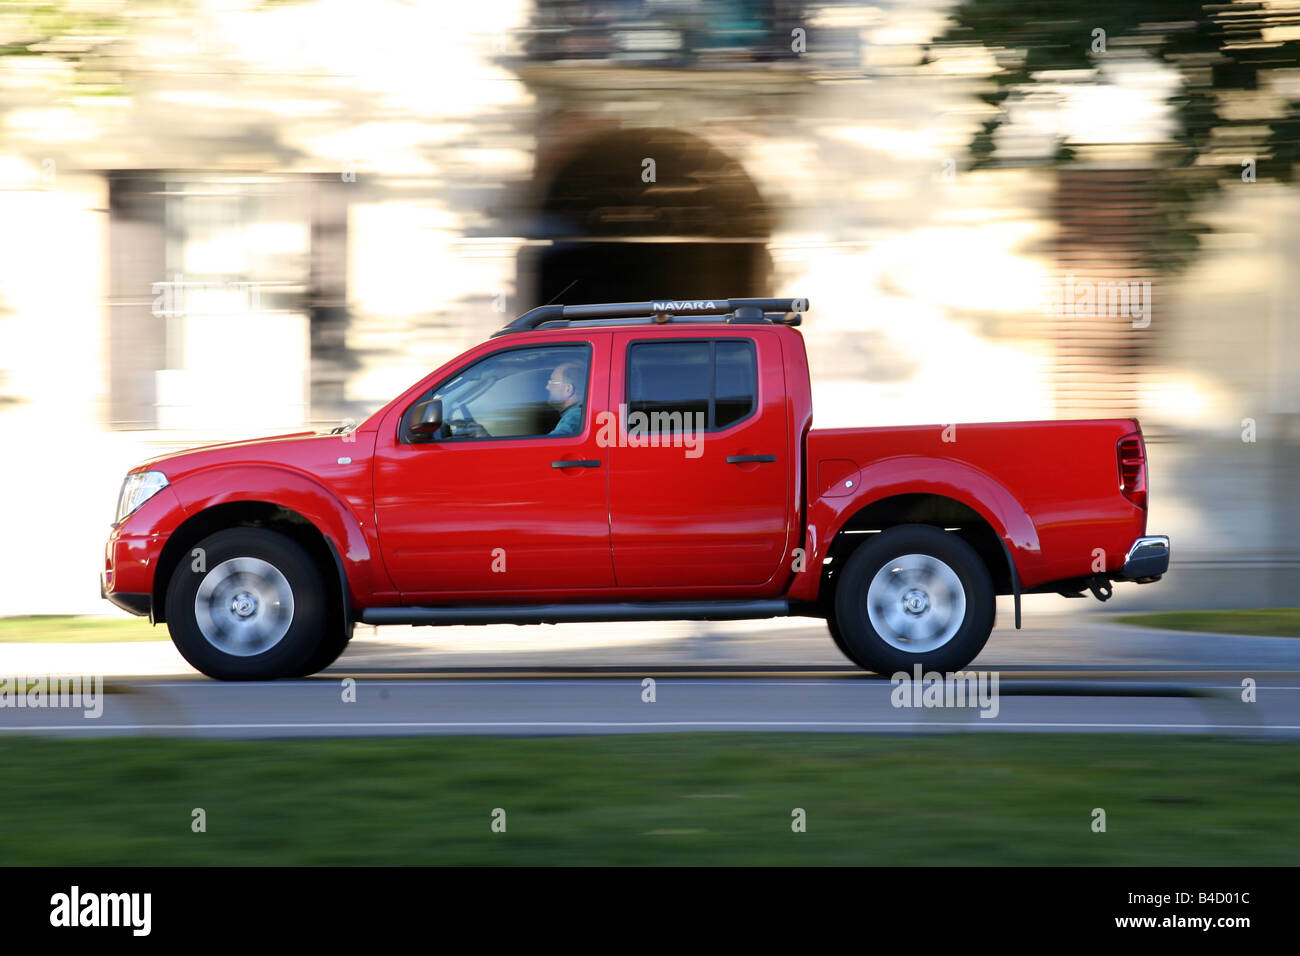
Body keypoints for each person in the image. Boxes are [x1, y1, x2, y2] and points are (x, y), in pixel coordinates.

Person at [546, 361, 585, 436]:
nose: (547, 387)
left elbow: (553, 441)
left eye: (552, 382)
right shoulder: (577, 413)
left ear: (568, 389)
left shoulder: (575, 416)